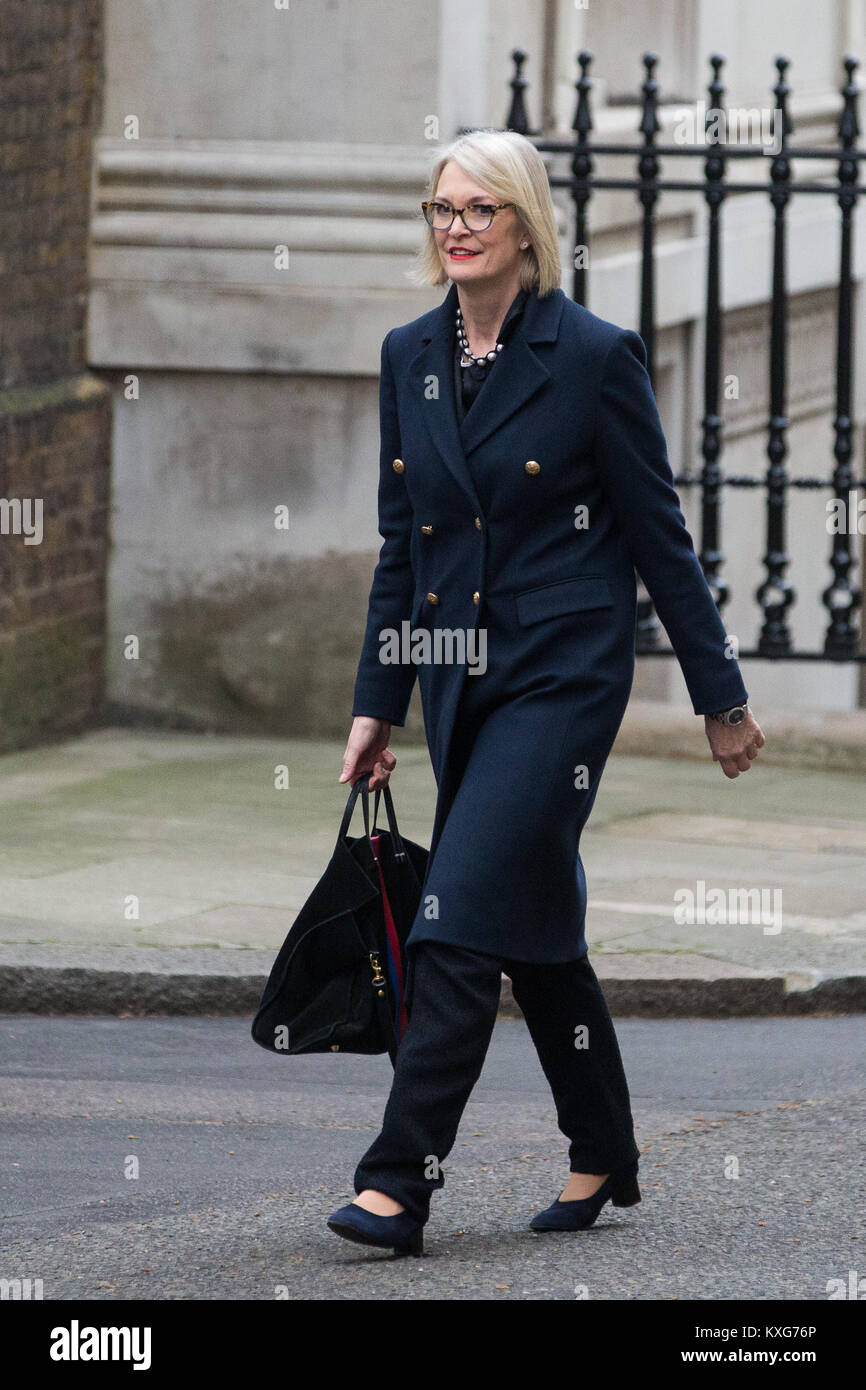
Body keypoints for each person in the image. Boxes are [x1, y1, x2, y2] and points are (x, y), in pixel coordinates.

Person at [327, 128, 765, 1257]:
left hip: (563, 679)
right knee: (533, 922)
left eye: (478, 209)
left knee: (457, 917)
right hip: (455, 681)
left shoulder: (591, 356)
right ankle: (602, 1146)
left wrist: (719, 697)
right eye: (441, 209)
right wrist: (376, 701)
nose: (457, 227)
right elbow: (401, 546)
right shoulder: (406, 355)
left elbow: (660, 541)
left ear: (523, 225)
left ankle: (396, 1182)